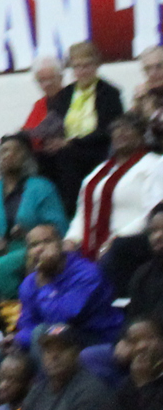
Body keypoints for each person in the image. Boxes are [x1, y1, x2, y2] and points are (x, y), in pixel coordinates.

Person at [0, 224, 123, 404]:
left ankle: (48, 407)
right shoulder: (30, 283)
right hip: (51, 341)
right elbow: (27, 324)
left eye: (47, 242)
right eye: (33, 245)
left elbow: (63, 317)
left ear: (61, 245)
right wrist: (17, 340)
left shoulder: (86, 273)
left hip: (94, 338)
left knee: (44, 333)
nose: (40, 249)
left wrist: (45, 284)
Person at [0, 134, 69, 301]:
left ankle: (16, 308)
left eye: (16, 151)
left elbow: (59, 226)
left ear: (27, 158)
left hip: (29, 247)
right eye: (4, 151)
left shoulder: (42, 187)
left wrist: (29, 232)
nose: (9, 154)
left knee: (3, 267)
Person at [68, 114, 163, 294]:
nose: (120, 133)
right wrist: (71, 239)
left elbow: (152, 212)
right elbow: (82, 212)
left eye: (127, 128)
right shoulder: (99, 171)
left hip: (132, 242)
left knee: (114, 255)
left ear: (142, 135)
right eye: (116, 129)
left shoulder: (153, 165)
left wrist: (117, 238)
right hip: (94, 245)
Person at [44, 40, 126, 213]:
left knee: (67, 156)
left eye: (86, 65)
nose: (82, 71)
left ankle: (73, 210)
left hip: (97, 148)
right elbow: (54, 124)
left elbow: (109, 130)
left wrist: (72, 142)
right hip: (65, 147)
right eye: (77, 66)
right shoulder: (64, 94)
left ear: (96, 65)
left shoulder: (110, 93)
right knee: (39, 159)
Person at [21, 323, 115, 410]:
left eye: (61, 349)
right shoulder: (37, 391)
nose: (54, 356)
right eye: (48, 351)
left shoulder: (91, 392)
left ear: (76, 353)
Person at [114, 315, 163, 410]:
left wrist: (144, 384)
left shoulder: (141, 378)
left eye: (149, 338)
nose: (142, 346)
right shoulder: (130, 382)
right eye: (134, 341)